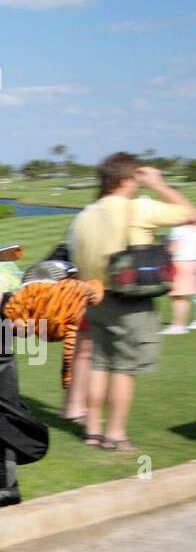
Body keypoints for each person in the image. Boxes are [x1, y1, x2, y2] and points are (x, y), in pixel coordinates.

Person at [69, 154, 195, 451]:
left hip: (95, 298)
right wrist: (158, 185)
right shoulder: (138, 208)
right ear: (126, 180)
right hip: (130, 301)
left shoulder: (85, 215)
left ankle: (92, 430)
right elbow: (189, 214)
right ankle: (115, 434)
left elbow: (76, 257)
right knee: (123, 369)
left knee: (100, 363)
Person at [163, 222, 196, 334]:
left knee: (178, 297)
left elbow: (173, 248)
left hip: (181, 262)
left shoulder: (179, 229)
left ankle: (178, 326)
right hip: (193, 262)